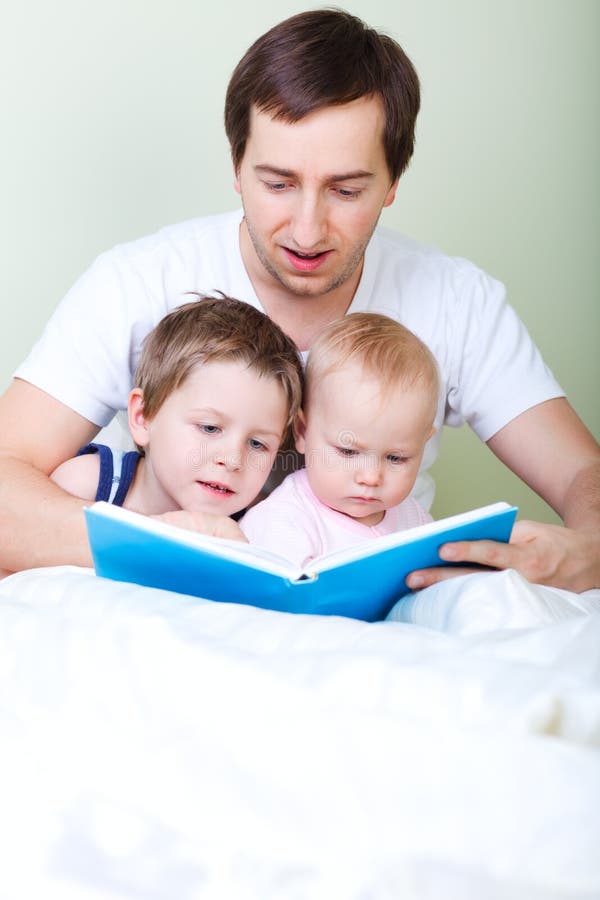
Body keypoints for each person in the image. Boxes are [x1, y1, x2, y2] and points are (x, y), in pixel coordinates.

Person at [0, 9, 598, 591]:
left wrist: (585, 549)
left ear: (393, 183)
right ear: (236, 167)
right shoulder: (135, 282)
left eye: (346, 189)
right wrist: (163, 545)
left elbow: (582, 475)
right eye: (278, 183)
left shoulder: (458, 301)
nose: (307, 231)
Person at [50, 294, 303, 525]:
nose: (233, 460)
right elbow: (20, 559)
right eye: (210, 428)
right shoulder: (87, 486)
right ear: (143, 417)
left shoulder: (259, 523)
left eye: (258, 444)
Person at [241, 313, 439, 567]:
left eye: (395, 458)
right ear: (302, 431)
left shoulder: (414, 519)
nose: (370, 478)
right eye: (348, 452)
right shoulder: (281, 521)